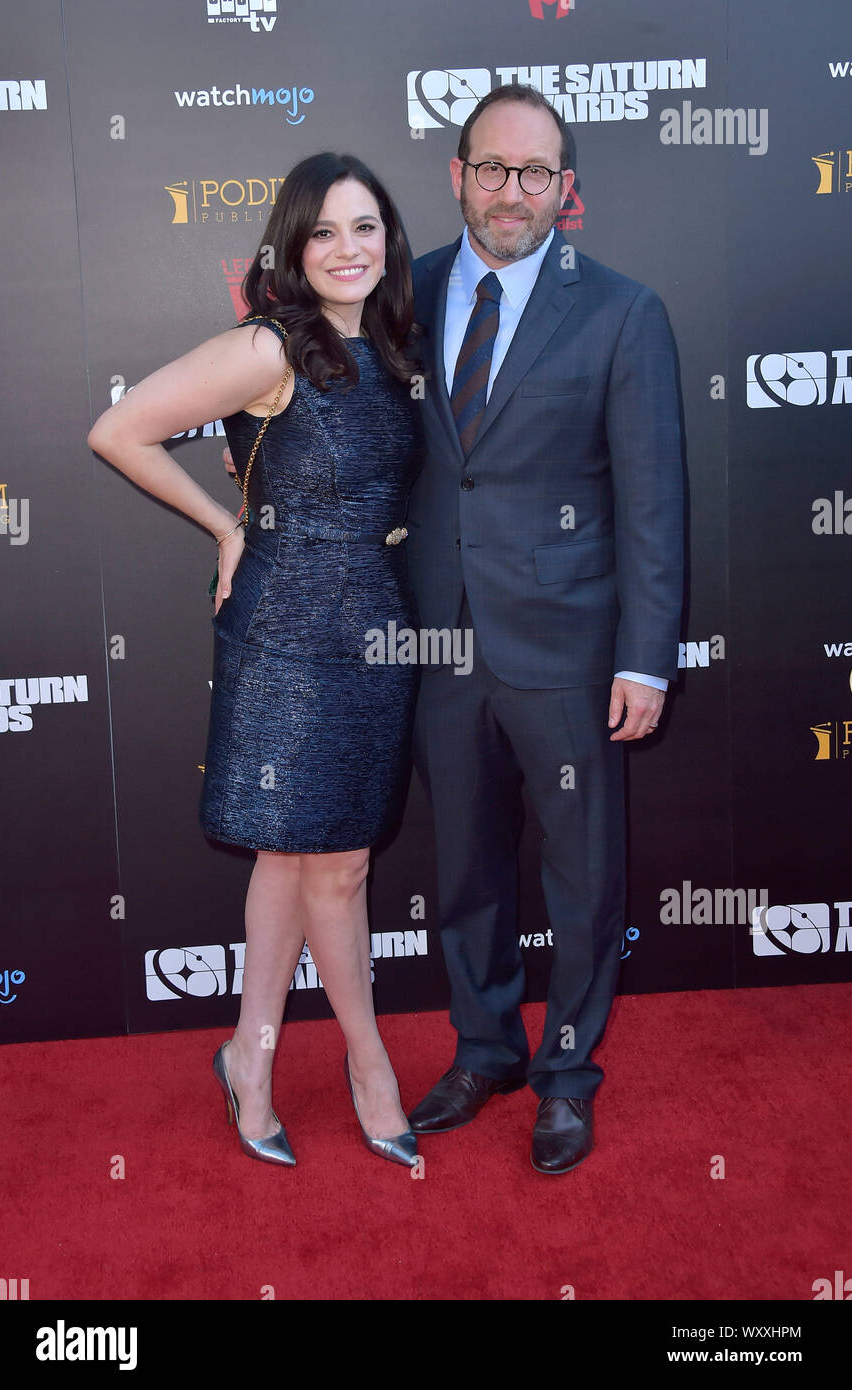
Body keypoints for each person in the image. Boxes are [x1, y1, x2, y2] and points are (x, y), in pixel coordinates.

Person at [87, 153, 424, 1169]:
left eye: (364, 227)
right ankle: (370, 1066)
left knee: (294, 854)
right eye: (323, 232)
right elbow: (120, 430)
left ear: (387, 241)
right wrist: (224, 529)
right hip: (288, 634)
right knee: (339, 864)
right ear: (290, 247)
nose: (347, 248)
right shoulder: (270, 346)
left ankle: (249, 1052)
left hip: (371, 628)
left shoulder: (394, 348)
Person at [404, 83, 685, 1173]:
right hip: (437, 645)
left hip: (568, 650)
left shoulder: (620, 311)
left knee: (579, 875)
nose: (508, 191)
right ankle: (485, 1049)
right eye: (489, 168)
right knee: (466, 867)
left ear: (562, 189)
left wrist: (643, 657)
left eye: (533, 173)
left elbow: (652, 500)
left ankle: (564, 1071)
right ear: (457, 174)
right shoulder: (404, 291)